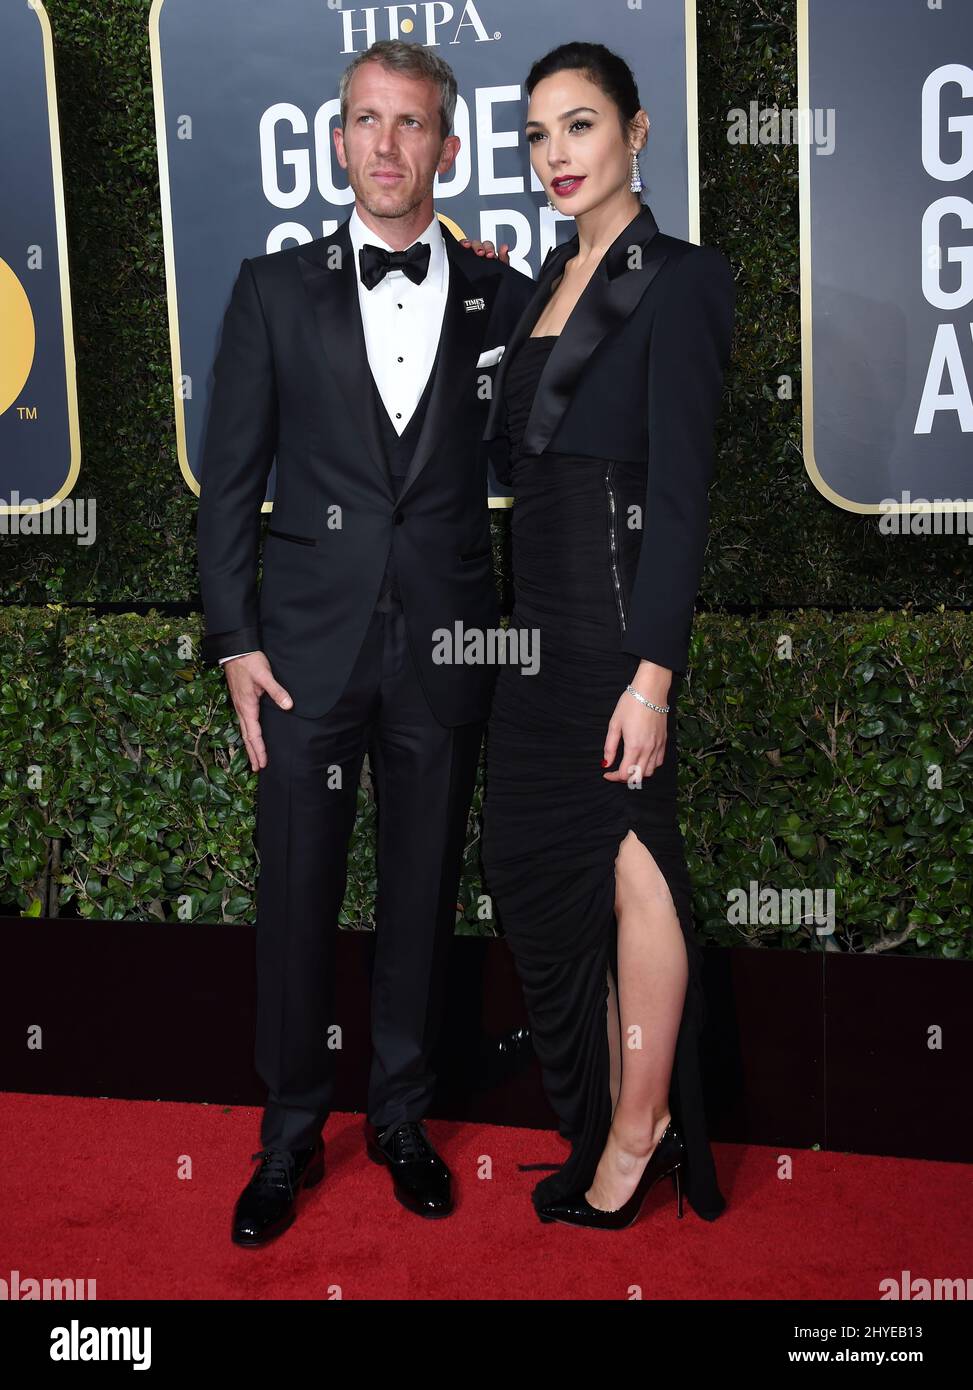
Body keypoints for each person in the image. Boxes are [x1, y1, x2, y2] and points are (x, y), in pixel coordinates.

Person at [196, 39, 534, 1245]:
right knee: (294, 896)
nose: (386, 147)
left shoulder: (505, 291)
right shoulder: (268, 289)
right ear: (337, 141)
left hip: (444, 647)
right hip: (303, 653)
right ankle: (286, 1138)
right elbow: (227, 485)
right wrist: (234, 640)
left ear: (449, 147)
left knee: (421, 890)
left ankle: (399, 1115)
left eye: (411, 126)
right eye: (365, 122)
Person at [477, 41, 737, 1229]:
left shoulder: (680, 280)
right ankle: (616, 1115)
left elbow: (680, 495)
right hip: (535, 631)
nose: (554, 156)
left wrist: (654, 679)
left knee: (635, 864)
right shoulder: (539, 281)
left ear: (637, 131)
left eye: (578, 127)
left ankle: (638, 1135)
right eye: (536, 135)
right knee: (534, 870)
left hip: (617, 631)